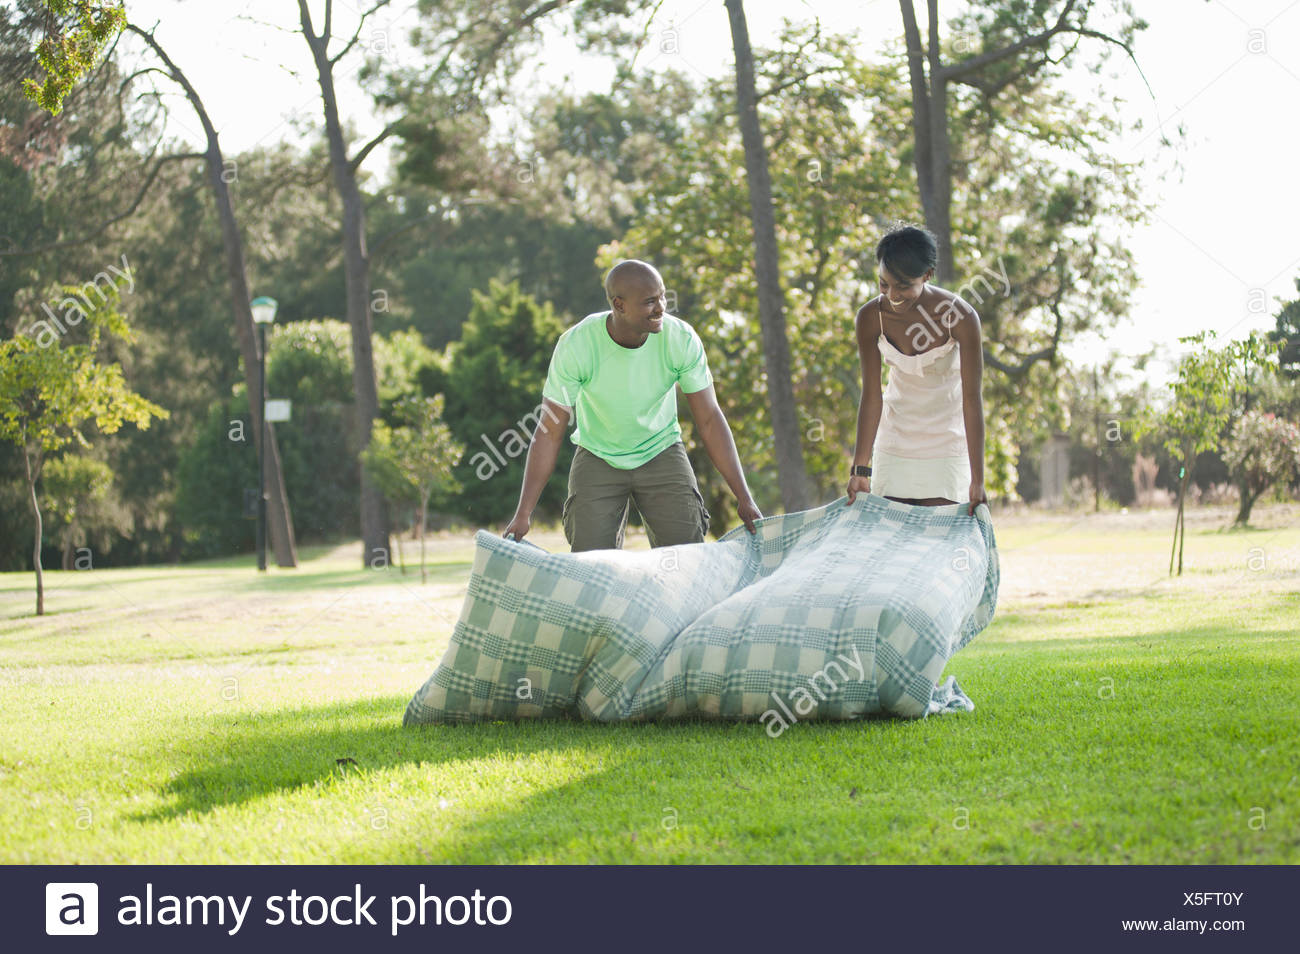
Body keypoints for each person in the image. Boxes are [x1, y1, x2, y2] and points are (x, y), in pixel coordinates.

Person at [502, 259, 762, 550]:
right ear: (619, 305)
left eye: (662, 296)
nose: (662, 307)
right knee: (590, 562)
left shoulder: (680, 338)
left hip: (661, 449)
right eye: (650, 301)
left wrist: (744, 497)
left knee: (686, 554)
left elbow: (710, 419)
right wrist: (523, 513)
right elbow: (549, 430)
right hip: (598, 453)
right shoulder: (577, 345)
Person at [845, 225, 988, 515]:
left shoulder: (960, 316)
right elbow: (872, 395)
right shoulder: (871, 318)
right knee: (890, 546)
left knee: (939, 546)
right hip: (895, 444)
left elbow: (972, 399)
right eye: (884, 284)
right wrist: (861, 468)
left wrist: (978, 479)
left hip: (945, 445)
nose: (892, 295)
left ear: (928, 274)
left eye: (903, 286)